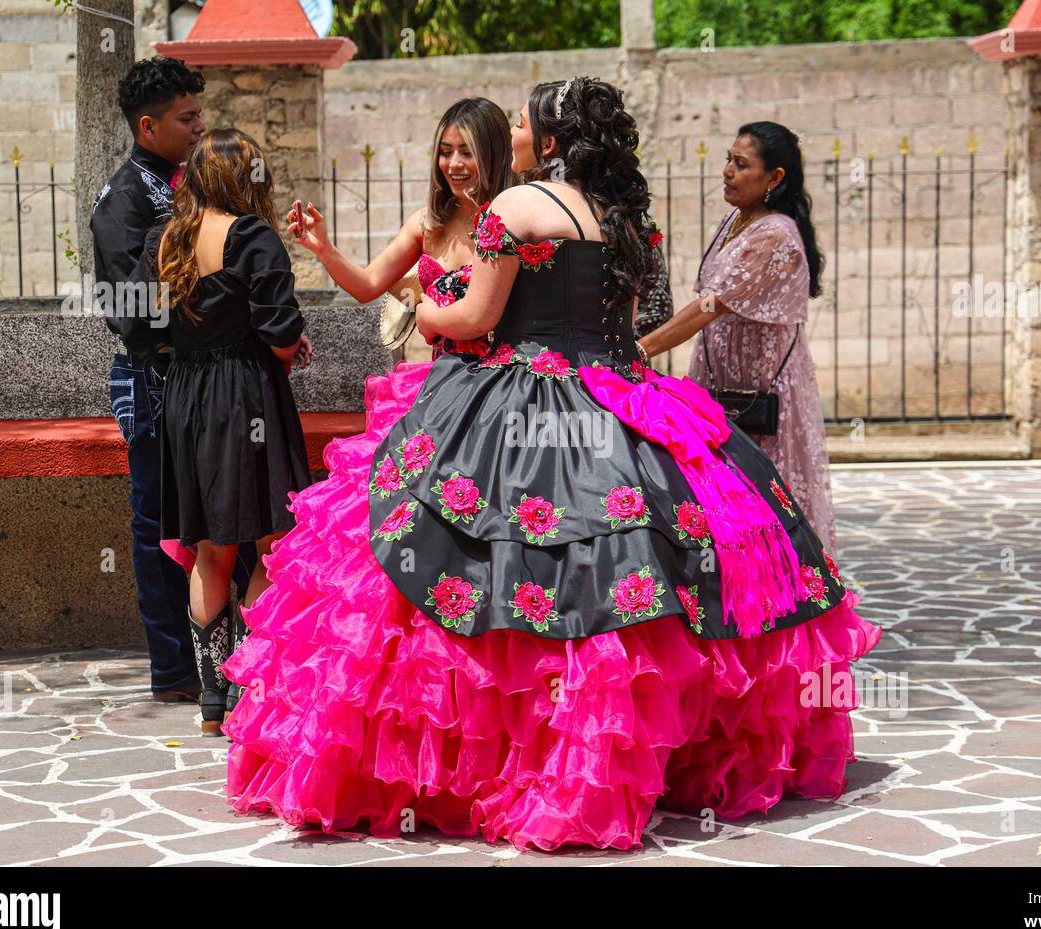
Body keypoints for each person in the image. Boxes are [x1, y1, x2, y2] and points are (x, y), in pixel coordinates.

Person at [220, 78, 881, 851]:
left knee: (487, 563)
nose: (515, 130)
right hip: (622, 396)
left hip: (517, 395)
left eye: (524, 122)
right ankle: (624, 754)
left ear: (553, 138)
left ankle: (497, 761)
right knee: (629, 566)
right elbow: (628, 328)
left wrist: (418, 308)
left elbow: (474, 319)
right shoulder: (625, 218)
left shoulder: (515, 210)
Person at [120, 129, 313, 736]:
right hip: (246, 396)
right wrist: (290, 348)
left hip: (183, 398)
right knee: (271, 543)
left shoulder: (163, 240)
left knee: (209, 549)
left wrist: (181, 358)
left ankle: (211, 697)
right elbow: (280, 331)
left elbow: (139, 328)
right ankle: (252, 685)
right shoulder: (254, 239)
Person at [639, 122, 838, 553]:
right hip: (721, 381)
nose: (727, 171)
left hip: (758, 391)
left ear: (775, 178)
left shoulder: (775, 234)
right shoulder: (737, 220)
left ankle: (784, 607)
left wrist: (642, 348)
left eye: (741, 164)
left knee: (764, 498)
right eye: (728, 159)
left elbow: (711, 305)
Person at [91, 56, 215, 704]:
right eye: (186, 117)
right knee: (156, 521)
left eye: (200, 114)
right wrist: (169, 235)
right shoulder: (122, 204)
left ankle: (225, 656)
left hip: (208, 377)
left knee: (217, 513)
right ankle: (173, 669)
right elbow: (128, 316)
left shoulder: (197, 182)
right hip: (151, 377)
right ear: (148, 125)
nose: (200, 127)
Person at [286, 97, 517, 358]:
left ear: (494, 155)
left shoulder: (518, 220)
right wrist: (324, 249)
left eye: (467, 152)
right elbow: (367, 285)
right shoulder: (426, 225)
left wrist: (429, 317)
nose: (453, 164)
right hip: (444, 380)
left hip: (507, 380)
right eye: (445, 151)